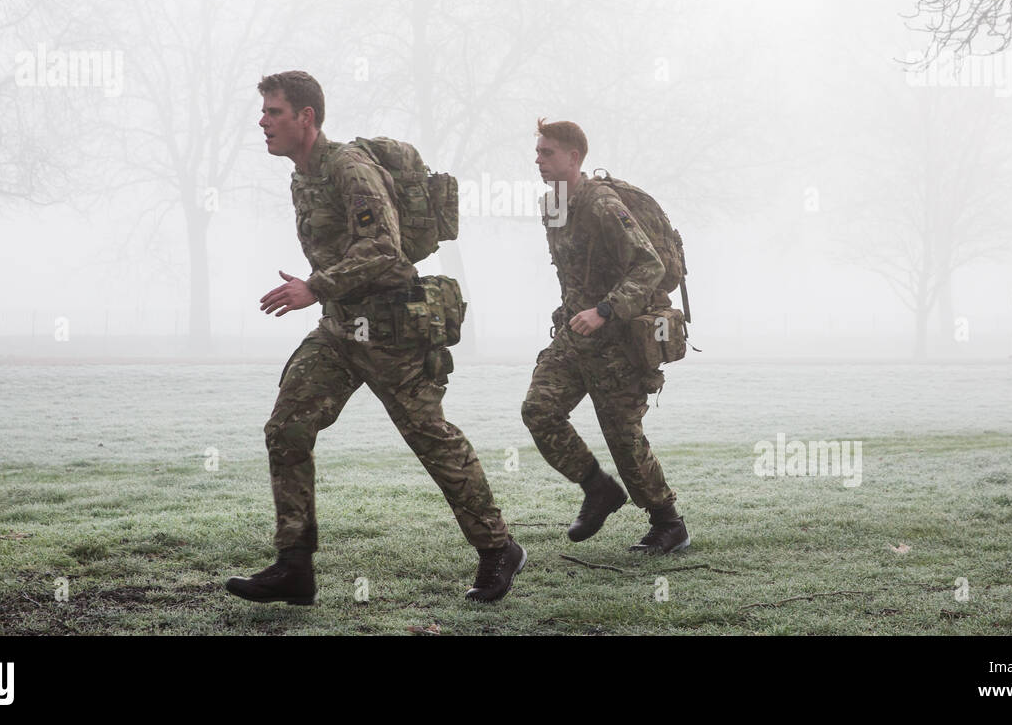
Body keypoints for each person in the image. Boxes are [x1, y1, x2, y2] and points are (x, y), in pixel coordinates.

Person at [226, 71, 525, 605]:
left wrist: (314, 287)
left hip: (391, 332)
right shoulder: (302, 175)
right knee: (287, 428)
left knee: (430, 439)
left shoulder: (350, 169)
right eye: (264, 111)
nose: (263, 121)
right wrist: (323, 293)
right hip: (341, 330)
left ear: (306, 118)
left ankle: (499, 548)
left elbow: (386, 250)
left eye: (273, 112)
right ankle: (294, 568)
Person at [520, 118, 689, 554]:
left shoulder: (602, 204)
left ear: (574, 158)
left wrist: (605, 310)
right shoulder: (551, 205)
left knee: (623, 436)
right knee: (539, 410)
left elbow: (648, 264)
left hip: (616, 339)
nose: (538, 159)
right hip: (575, 336)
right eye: (537, 151)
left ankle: (668, 523)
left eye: (548, 152)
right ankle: (598, 489)